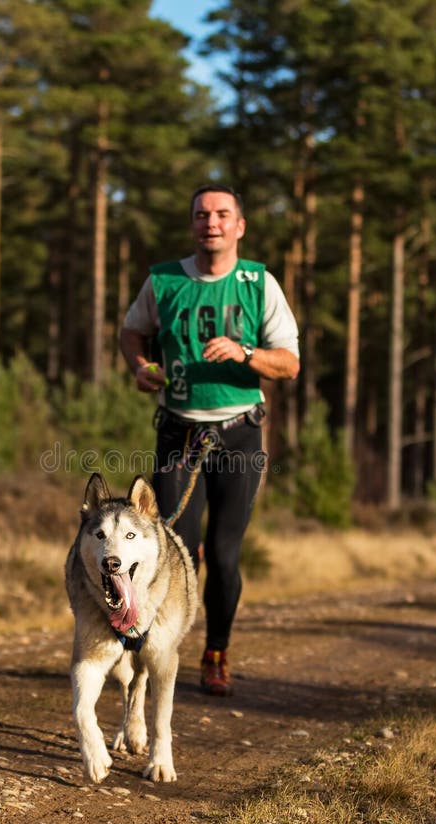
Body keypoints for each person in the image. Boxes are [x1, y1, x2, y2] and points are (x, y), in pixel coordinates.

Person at [119, 183, 300, 696]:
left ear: (239, 226)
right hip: (179, 432)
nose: (211, 222)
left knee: (222, 555)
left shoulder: (259, 283)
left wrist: (245, 354)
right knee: (173, 547)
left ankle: (216, 649)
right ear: (192, 225)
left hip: (239, 435)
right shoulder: (165, 281)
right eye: (201, 214)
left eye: (222, 214)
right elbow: (131, 332)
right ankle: (151, 646)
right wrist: (141, 366)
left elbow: (288, 363)